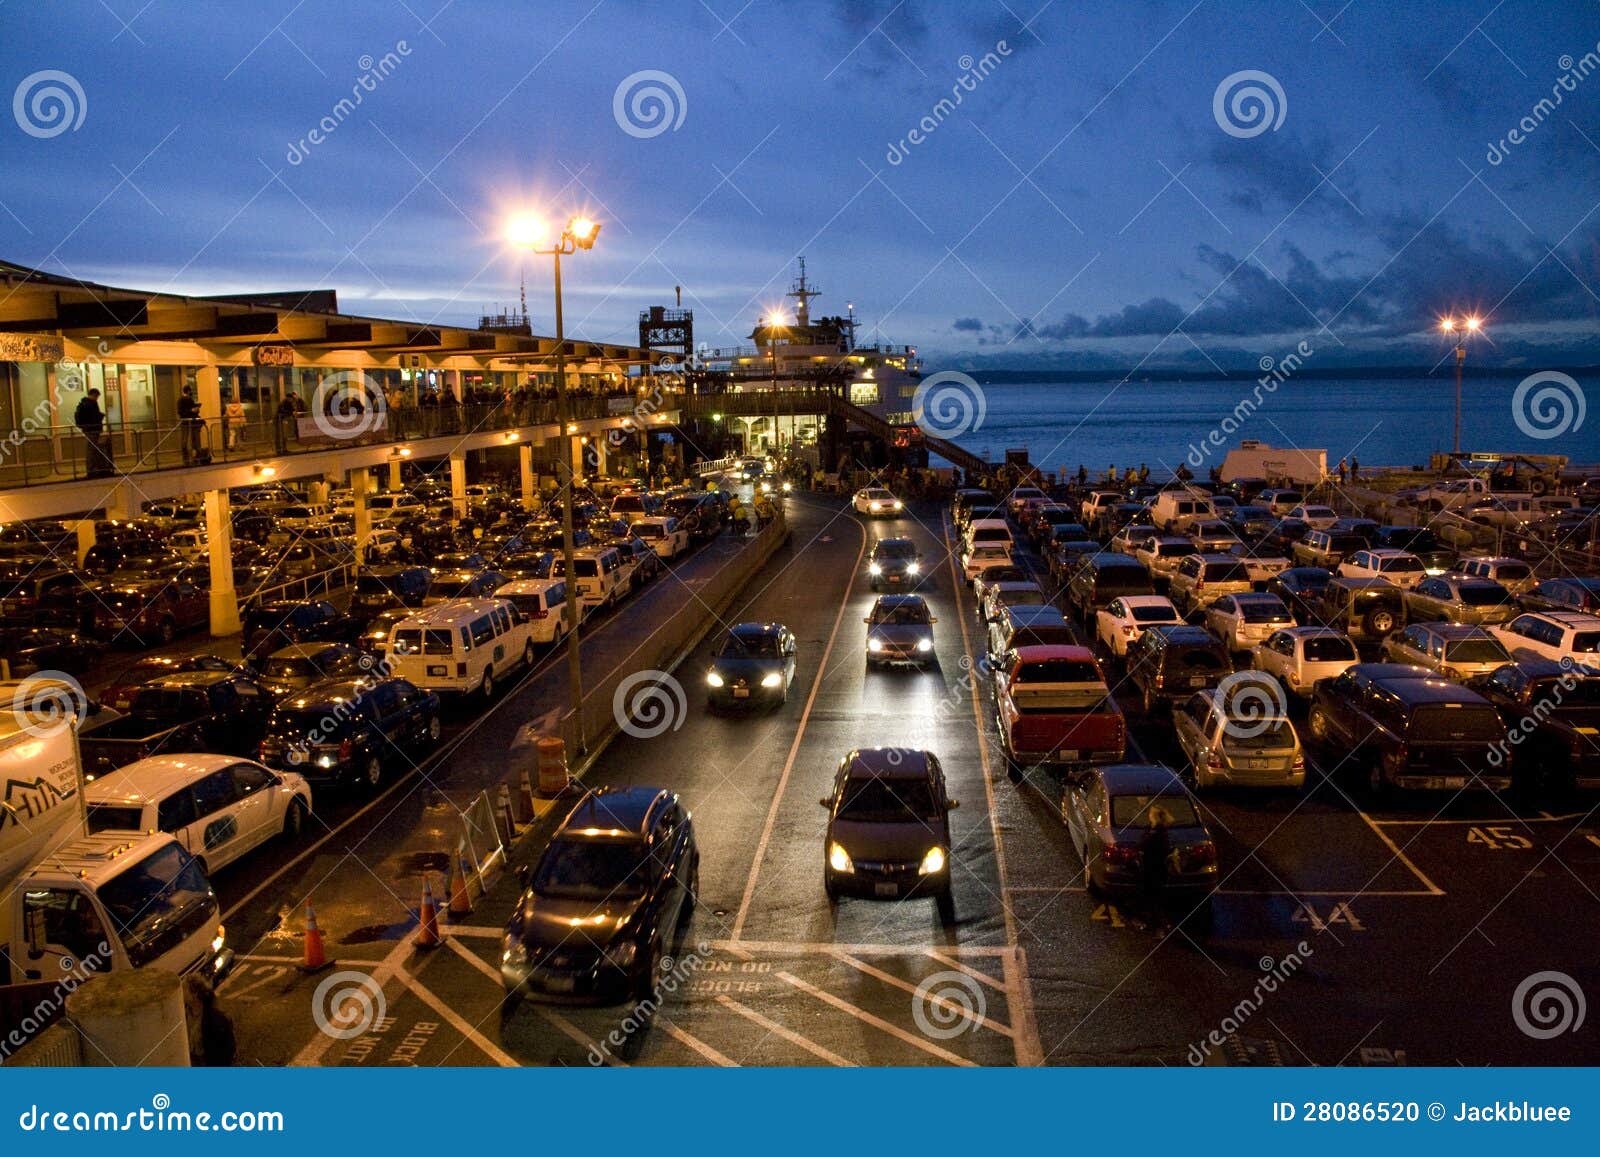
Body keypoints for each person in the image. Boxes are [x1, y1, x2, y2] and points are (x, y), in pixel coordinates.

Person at [1138, 805, 1174, 928]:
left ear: (1154, 816)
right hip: (1154, 868)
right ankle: (1157, 922)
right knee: (1154, 897)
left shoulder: (1157, 832)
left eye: (1150, 813)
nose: (1148, 815)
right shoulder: (1156, 830)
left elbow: (1144, 844)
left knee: (1153, 897)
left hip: (1154, 869)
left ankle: (1157, 923)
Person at [74, 387, 111, 477]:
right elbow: (93, 417)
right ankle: (92, 470)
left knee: (92, 450)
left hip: (88, 430)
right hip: (92, 430)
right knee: (91, 450)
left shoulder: (84, 403)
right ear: (94, 395)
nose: (97, 398)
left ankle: (93, 469)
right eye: (97, 396)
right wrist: (101, 415)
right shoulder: (90, 404)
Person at [177, 385, 203, 465]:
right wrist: (193, 410)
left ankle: (186, 459)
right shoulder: (188, 400)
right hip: (191, 422)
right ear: (188, 391)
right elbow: (188, 411)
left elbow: (180, 412)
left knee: (185, 440)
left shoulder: (180, 400)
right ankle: (196, 458)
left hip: (185, 422)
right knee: (193, 440)